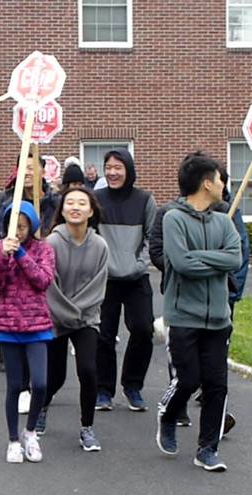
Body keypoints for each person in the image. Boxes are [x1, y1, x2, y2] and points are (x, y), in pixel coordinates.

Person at [156, 153, 241, 472]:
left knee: (217, 385)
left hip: (219, 319)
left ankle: (208, 448)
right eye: (220, 179)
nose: (223, 185)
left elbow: (235, 259)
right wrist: (214, 260)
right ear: (207, 183)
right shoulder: (172, 218)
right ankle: (168, 415)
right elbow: (180, 263)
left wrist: (202, 258)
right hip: (183, 317)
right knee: (188, 379)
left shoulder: (223, 220)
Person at [38, 188, 109, 451]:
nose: (75, 207)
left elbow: (98, 286)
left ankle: (87, 427)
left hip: (86, 319)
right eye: (70, 203)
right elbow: (48, 286)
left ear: (91, 211)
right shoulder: (51, 244)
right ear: (62, 210)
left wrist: (78, 314)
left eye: (82, 203)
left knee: (88, 371)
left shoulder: (100, 245)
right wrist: (66, 313)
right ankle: (42, 406)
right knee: (54, 376)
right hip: (56, 318)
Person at [0, 201, 55, 463]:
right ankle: (13, 439)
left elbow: (43, 281)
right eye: (16, 227)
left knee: (40, 383)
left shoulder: (43, 249)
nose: (20, 232)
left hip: (37, 325)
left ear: (33, 227)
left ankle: (30, 433)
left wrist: (22, 256)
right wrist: (4, 257)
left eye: (25, 227)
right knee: (14, 386)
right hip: (8, 326)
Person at [94, 149, 157, 412]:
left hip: (136, 277)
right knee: (103, 335)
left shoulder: (144, 199)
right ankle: (103, 390)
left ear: (128, 170)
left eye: (118, 167)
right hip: (104, 278)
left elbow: (153, 236)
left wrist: (139, 263)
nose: (112, 172)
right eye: (108, 167)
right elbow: (88, 235)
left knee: (143, 330)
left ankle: (133, 386)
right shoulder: (95, 199)